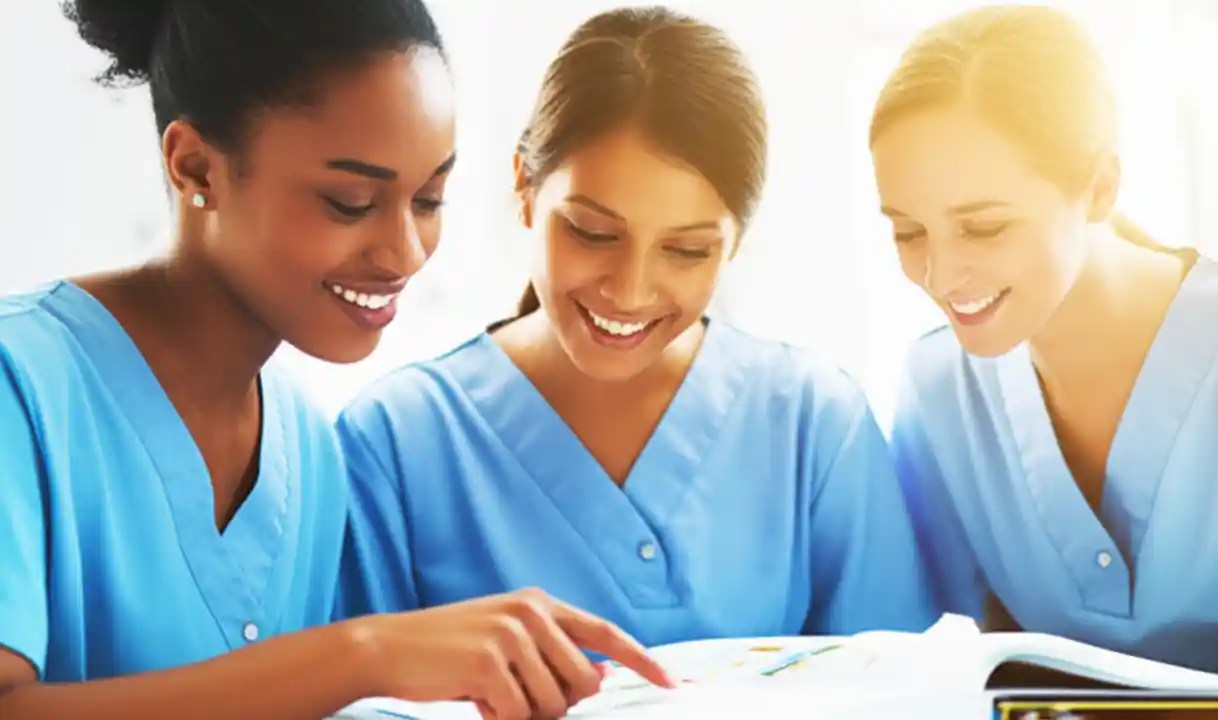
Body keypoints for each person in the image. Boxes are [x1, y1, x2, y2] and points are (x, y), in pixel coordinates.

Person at [0, 2, 671, 719]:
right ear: (196, 166)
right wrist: (364, 656)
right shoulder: (23, 386)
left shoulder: (309, 452)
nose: (405, 253)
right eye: (351, 202)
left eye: (428, 198)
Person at [336, 6, 939, 650]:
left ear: (736, 241)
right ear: (525, 187)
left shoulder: (814, 424)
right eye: (592, 233)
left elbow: (893, 687)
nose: (629, 290)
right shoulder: (395, 443)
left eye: (686, 251)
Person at [873, 4, 1218, 682]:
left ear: (1099, 187)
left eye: (984, 227)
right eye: (908, 233)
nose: (939, 276)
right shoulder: (939, 386)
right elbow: (992, 664)